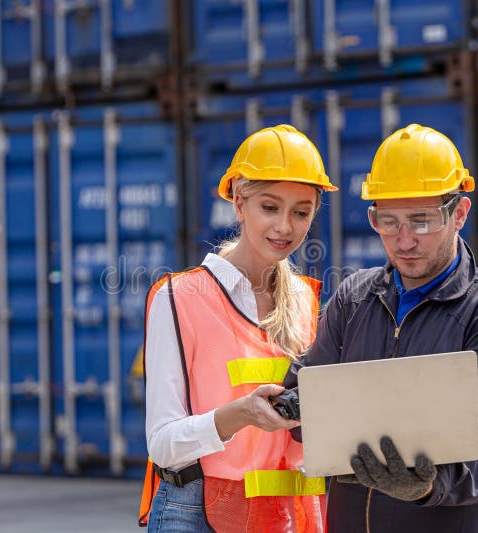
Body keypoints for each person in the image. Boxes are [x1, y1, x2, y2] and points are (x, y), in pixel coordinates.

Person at [283, 123, 478, 532]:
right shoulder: (352, 299)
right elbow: (308, 394)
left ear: (460, 214)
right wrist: (292, 406)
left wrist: (423, 486)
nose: (404, 241)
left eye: (421, 221)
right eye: (389, 221)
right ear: (372, 217)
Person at [138, 124, 338, 532]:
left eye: (301, 212)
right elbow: (161, 443)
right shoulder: (179, 297)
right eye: (270, 207)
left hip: (293, 514)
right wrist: (238, 415)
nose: (285, 226)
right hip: (199, 511)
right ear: (238, 202)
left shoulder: (307, 300)